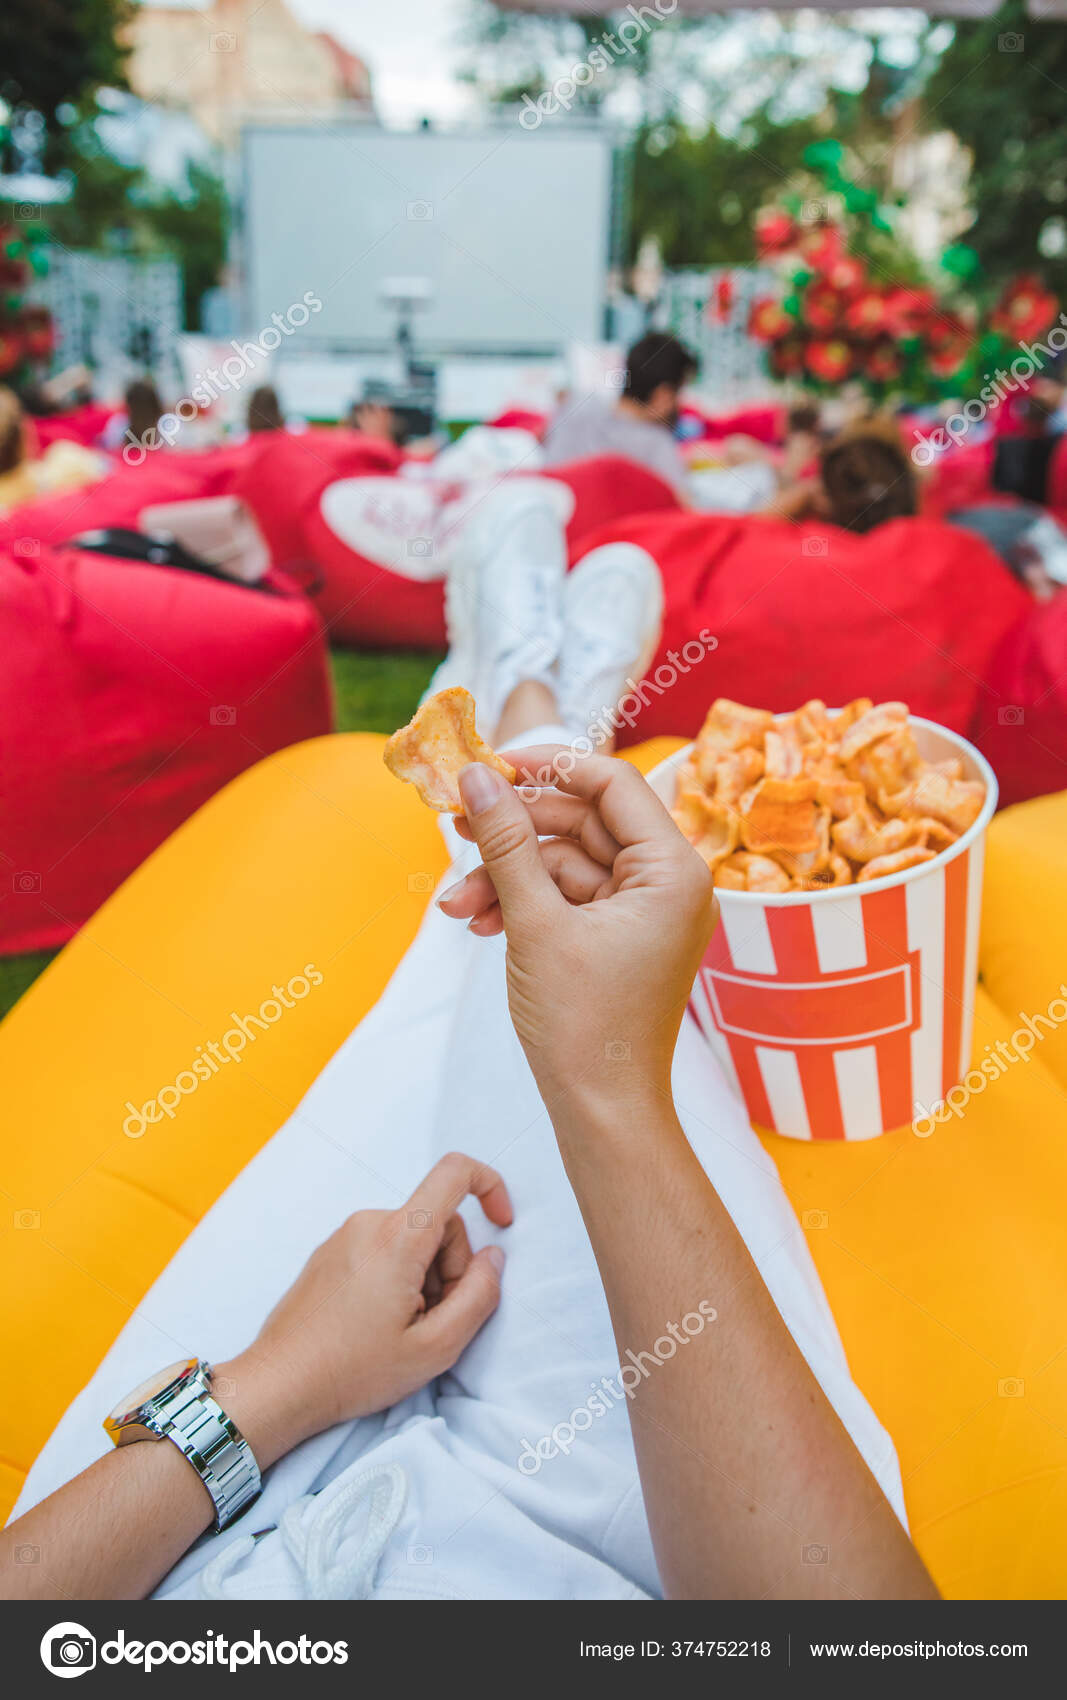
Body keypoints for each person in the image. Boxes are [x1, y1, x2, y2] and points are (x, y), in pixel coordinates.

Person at [1, 486, 935, 1603]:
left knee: (488, 950)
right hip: (603, 1539)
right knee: (527, 947)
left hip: (200, 1523)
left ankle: (525, 704)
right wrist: (607, 1083)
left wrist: (278, 1382)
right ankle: (546, 709)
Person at [542, 332, 696, 499]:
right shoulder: (657, 444)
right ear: (663, 396)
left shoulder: (576, 404)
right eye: (679, 394)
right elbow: (684, 505)